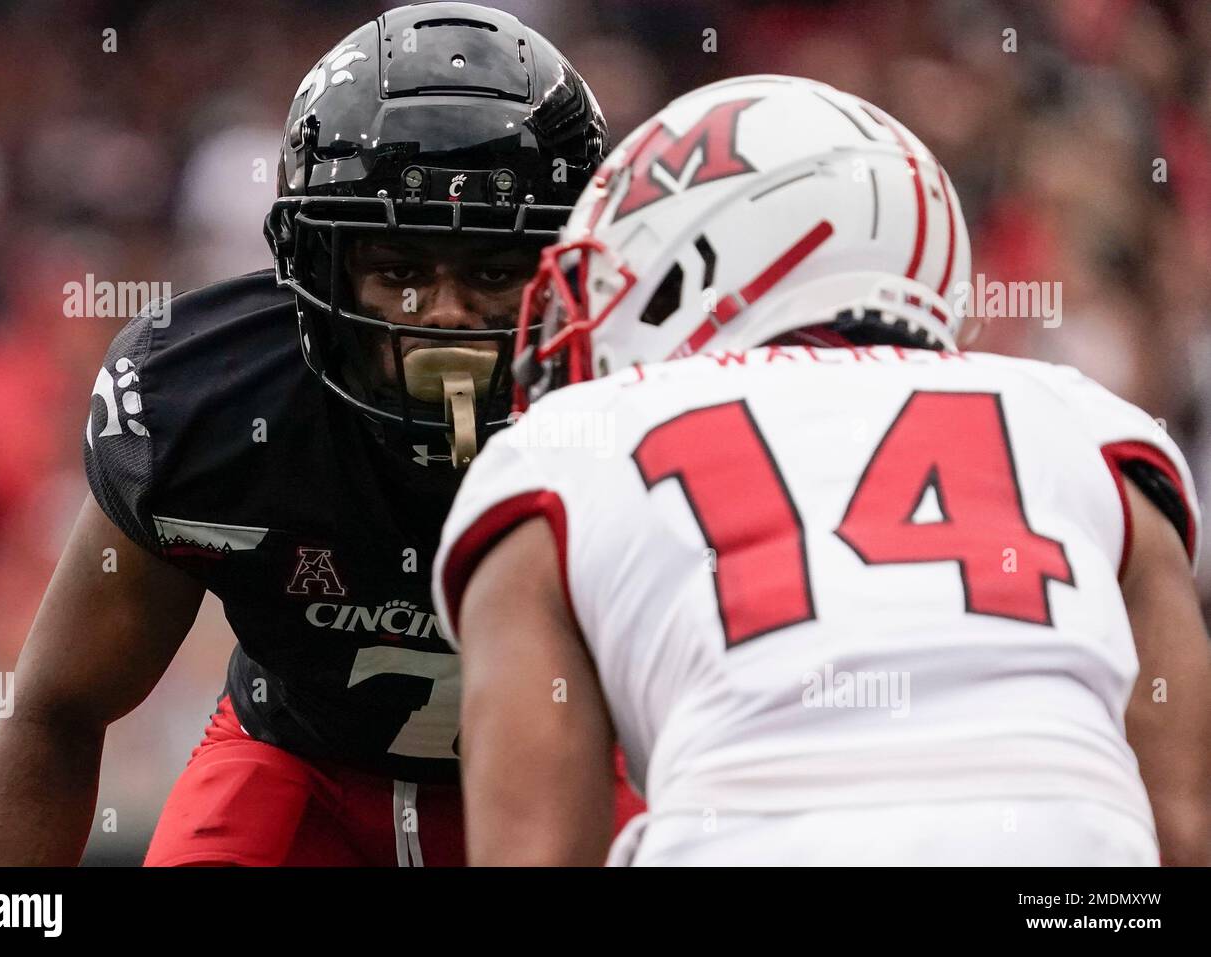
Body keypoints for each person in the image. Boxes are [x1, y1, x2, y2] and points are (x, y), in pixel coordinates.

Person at [433, 75, 1211, 866]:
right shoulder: (1090, 422)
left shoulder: (564, 451)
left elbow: (532, 854)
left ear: (712, 253)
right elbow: (1186, 827)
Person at [0, 2, 640, 867]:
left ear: (566, 274)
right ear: (318, 265)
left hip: (572, 771)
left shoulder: (638, 399)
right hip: (296, 770)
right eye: (398, 270)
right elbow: (57, 712)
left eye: (495, 272)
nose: (442, 316)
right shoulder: (205, 403)